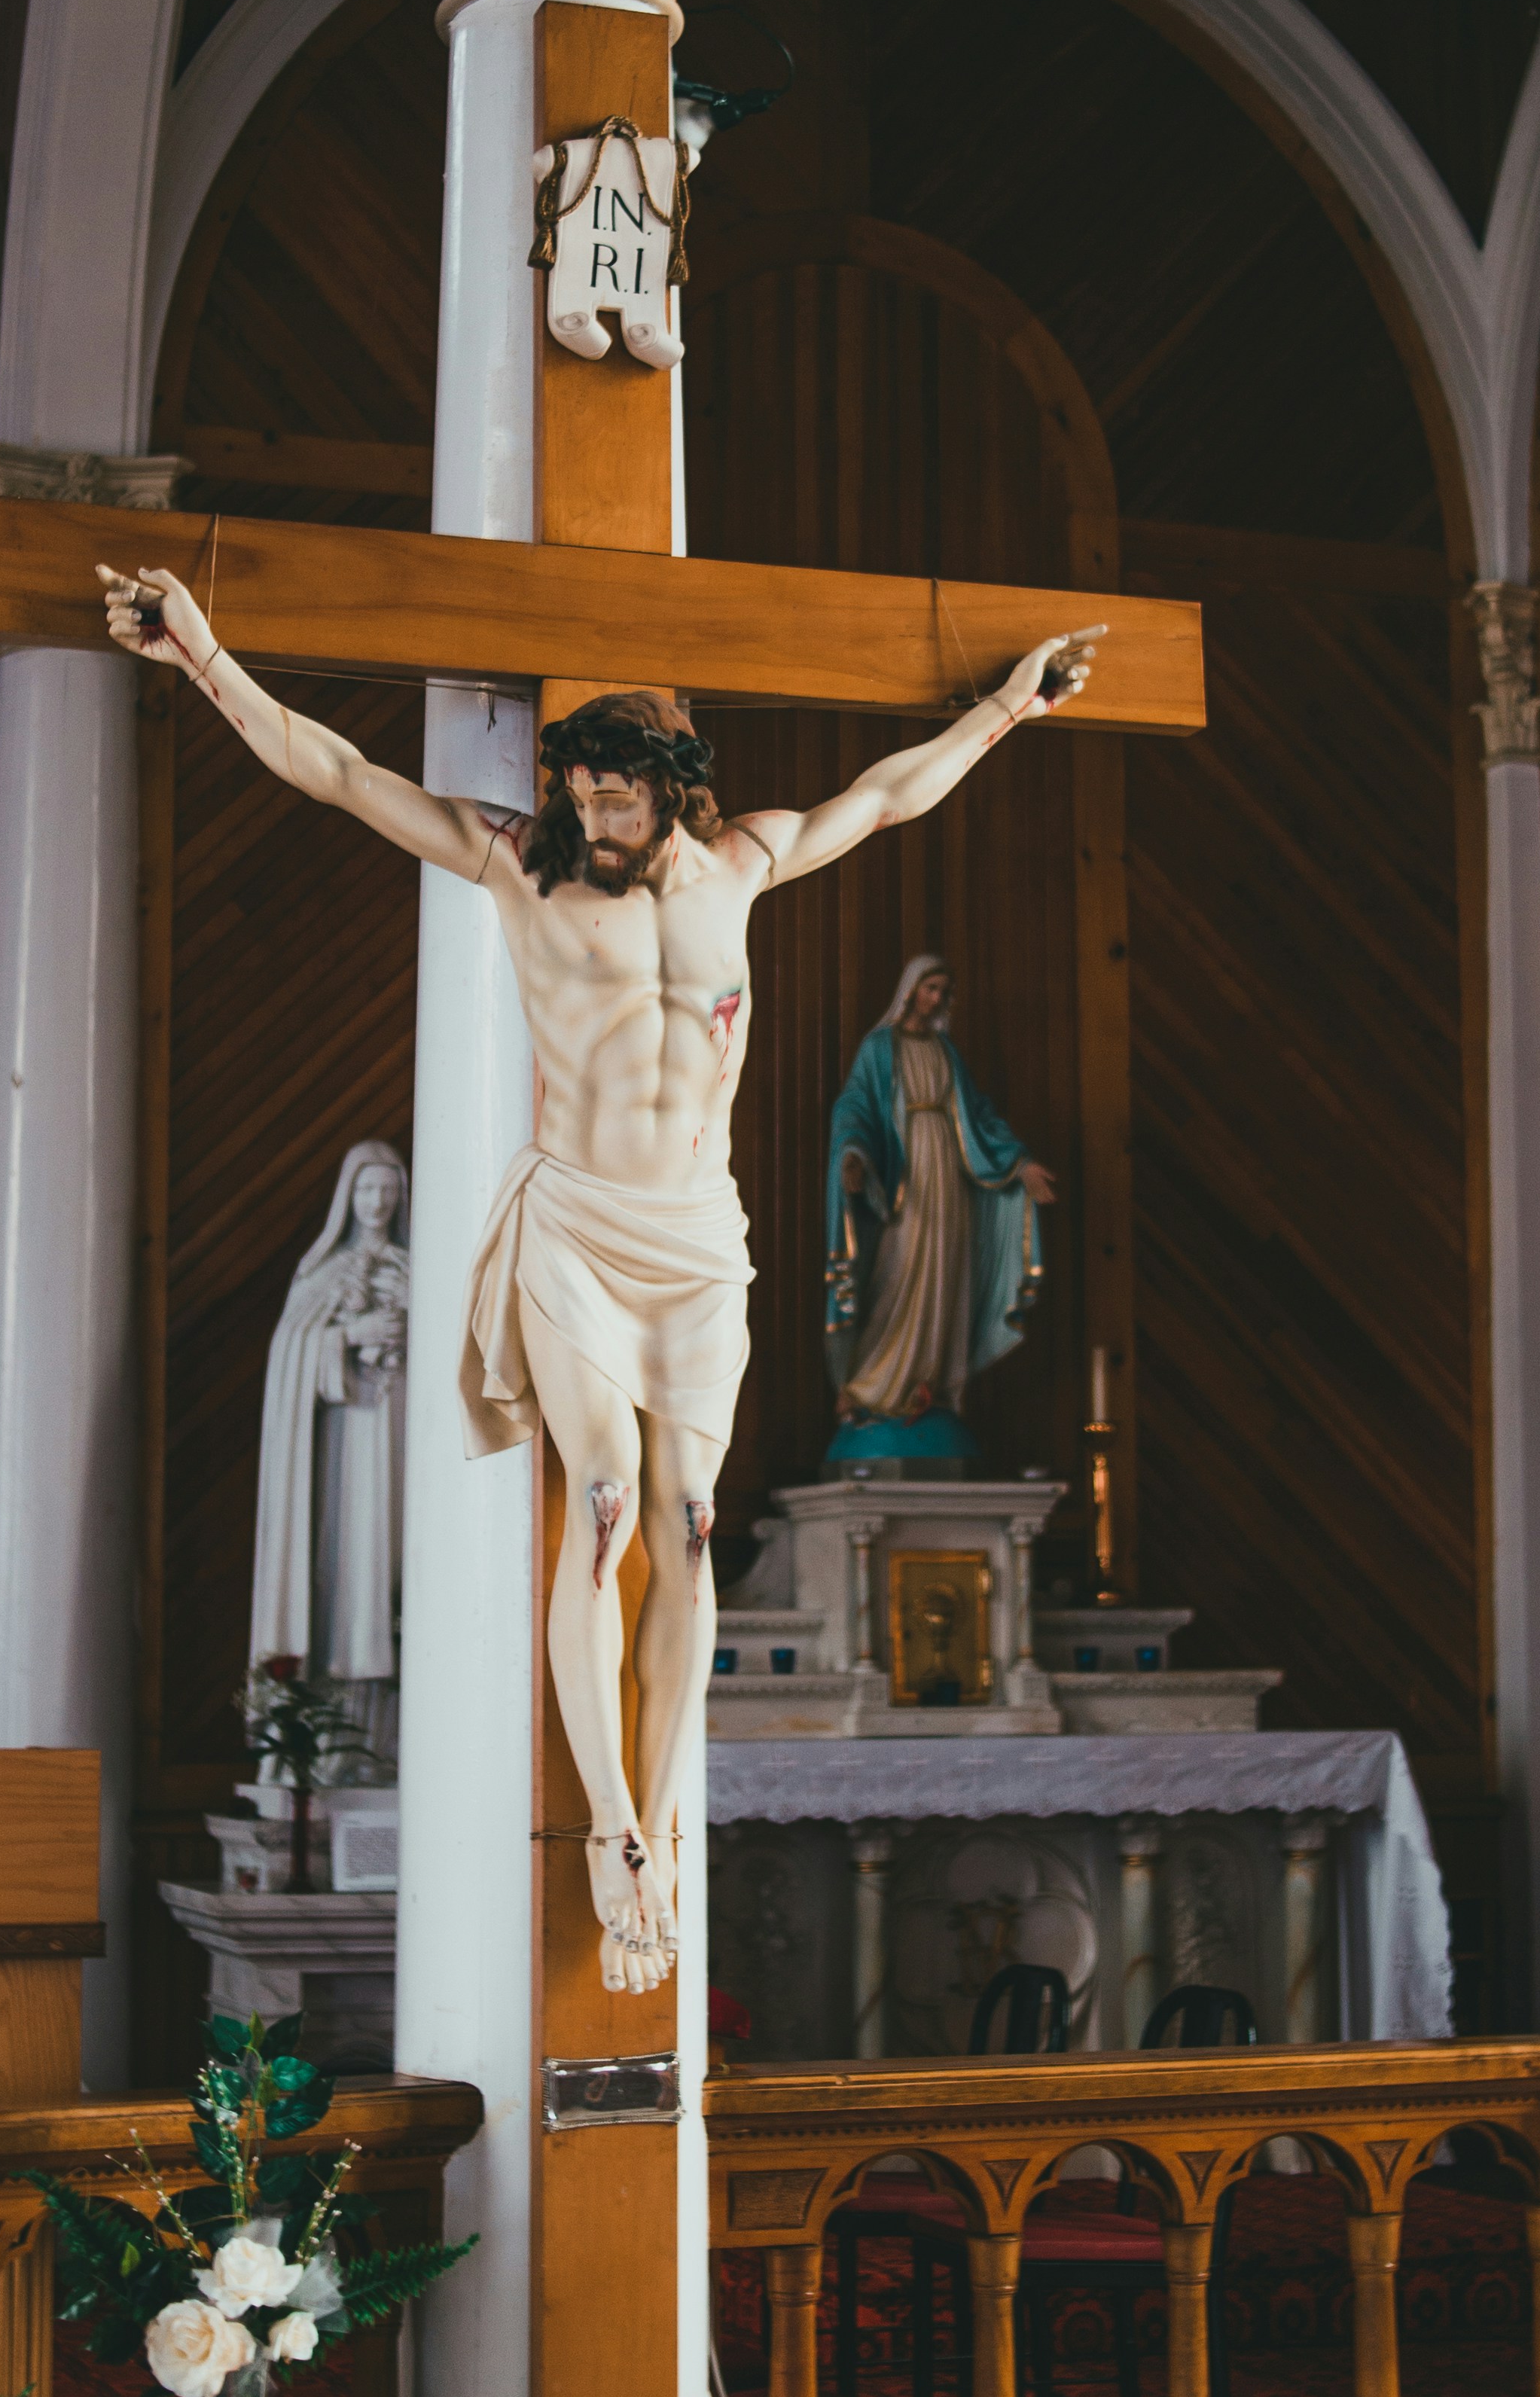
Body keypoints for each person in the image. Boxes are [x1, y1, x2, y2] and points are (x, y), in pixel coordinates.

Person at [100, 563, 1102, 1988]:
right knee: (606, 1505)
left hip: (697, 1237)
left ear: (674, 791)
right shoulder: (522, 863)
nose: (593, 820)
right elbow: (334, 770)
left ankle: (666, 1802)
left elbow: (885, 795)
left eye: (618, 802)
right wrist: (201, 652)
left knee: (689, 1524)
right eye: (580, 797)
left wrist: (1007, 704)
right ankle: (612, 1827)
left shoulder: (745, 860)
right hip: (575, 1221)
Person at [825, 958, 1054, 1458]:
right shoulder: (880, 1048)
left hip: (949, 1180)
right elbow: (855, 1106)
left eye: (943, 991)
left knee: (946, 1281)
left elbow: (979, 1117)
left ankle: (931, 1392)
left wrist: (1018, 1166)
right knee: (897, 1275)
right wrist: (855, 1155)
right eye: (930, 988)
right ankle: (869, 1390)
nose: (935, 999)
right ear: (910, 991)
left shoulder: (945, 1052)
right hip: (904, 1179)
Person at [250, 1142, 408, 1767]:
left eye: (389, 1191)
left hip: (399, 1439)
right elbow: (290, 1353)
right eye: (368, 1191)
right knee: (347, 1576)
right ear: (350, 1197)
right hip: (344, 1446)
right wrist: (349, 1337)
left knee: (393, 1570)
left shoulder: (413, 1266)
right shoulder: (323, 1272)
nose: (378, 1203)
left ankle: (387, 1739)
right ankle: (327, 1741)